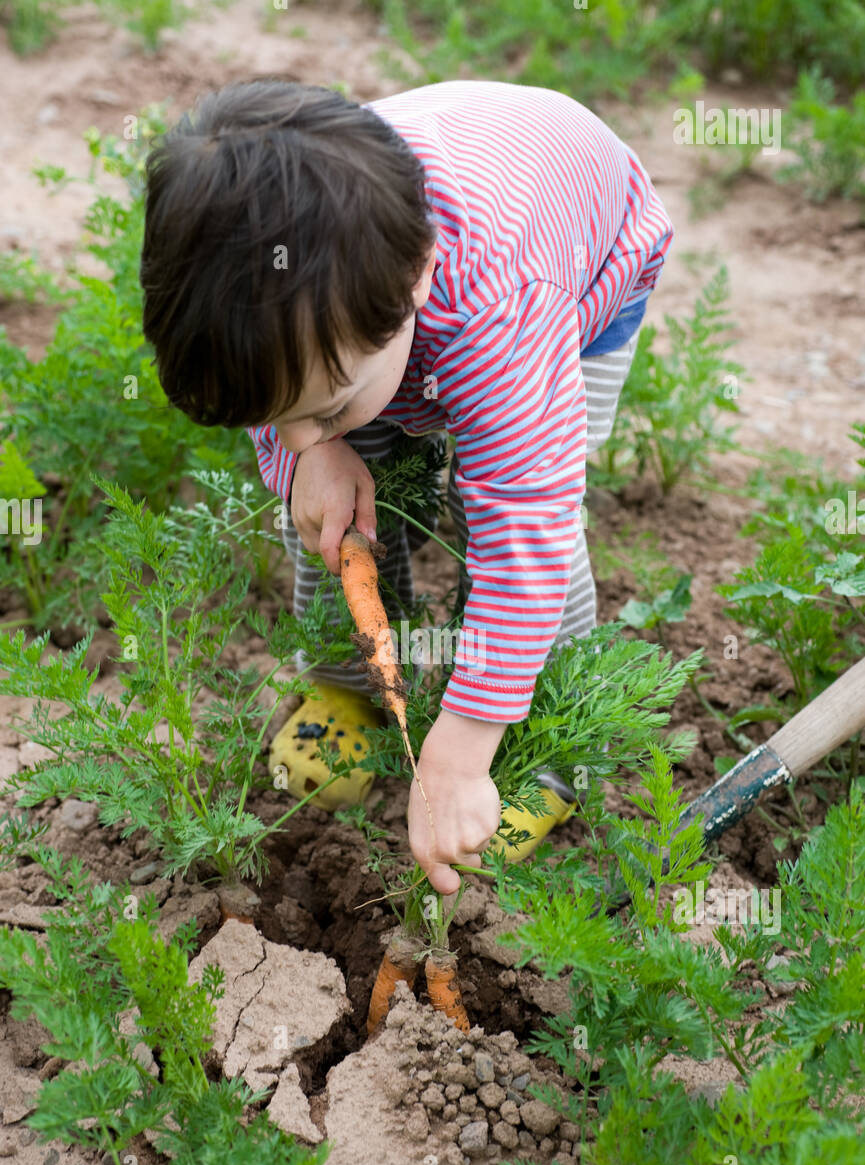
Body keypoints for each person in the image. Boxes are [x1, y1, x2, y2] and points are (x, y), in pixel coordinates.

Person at [140, 77, 673, 894]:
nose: (291, 435)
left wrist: (460, 748)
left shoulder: (501, 306)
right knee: (327, 504)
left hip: (584, 272)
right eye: (272, 415)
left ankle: (552, 742)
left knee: (508, 514)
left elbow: (524, 525)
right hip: (385, 332)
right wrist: (309, 456)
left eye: (317, 410)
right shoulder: (269, 295)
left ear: (416, 279)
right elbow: (289, 397)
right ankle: (351, 691)